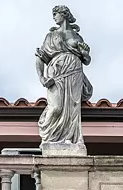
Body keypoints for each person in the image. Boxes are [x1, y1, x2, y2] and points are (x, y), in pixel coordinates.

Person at [37, 6, 92, 151]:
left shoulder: (77, 37)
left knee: (74, 107)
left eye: (56, 14)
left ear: (64, 15)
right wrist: (42, 78)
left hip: (75, 72)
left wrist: (85, 53)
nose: (54, 17)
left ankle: (72, 139)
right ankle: (49, 136)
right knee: (56, 108)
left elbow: (86, 60)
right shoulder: (50, 36)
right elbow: (40, 57)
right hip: (56, 75)